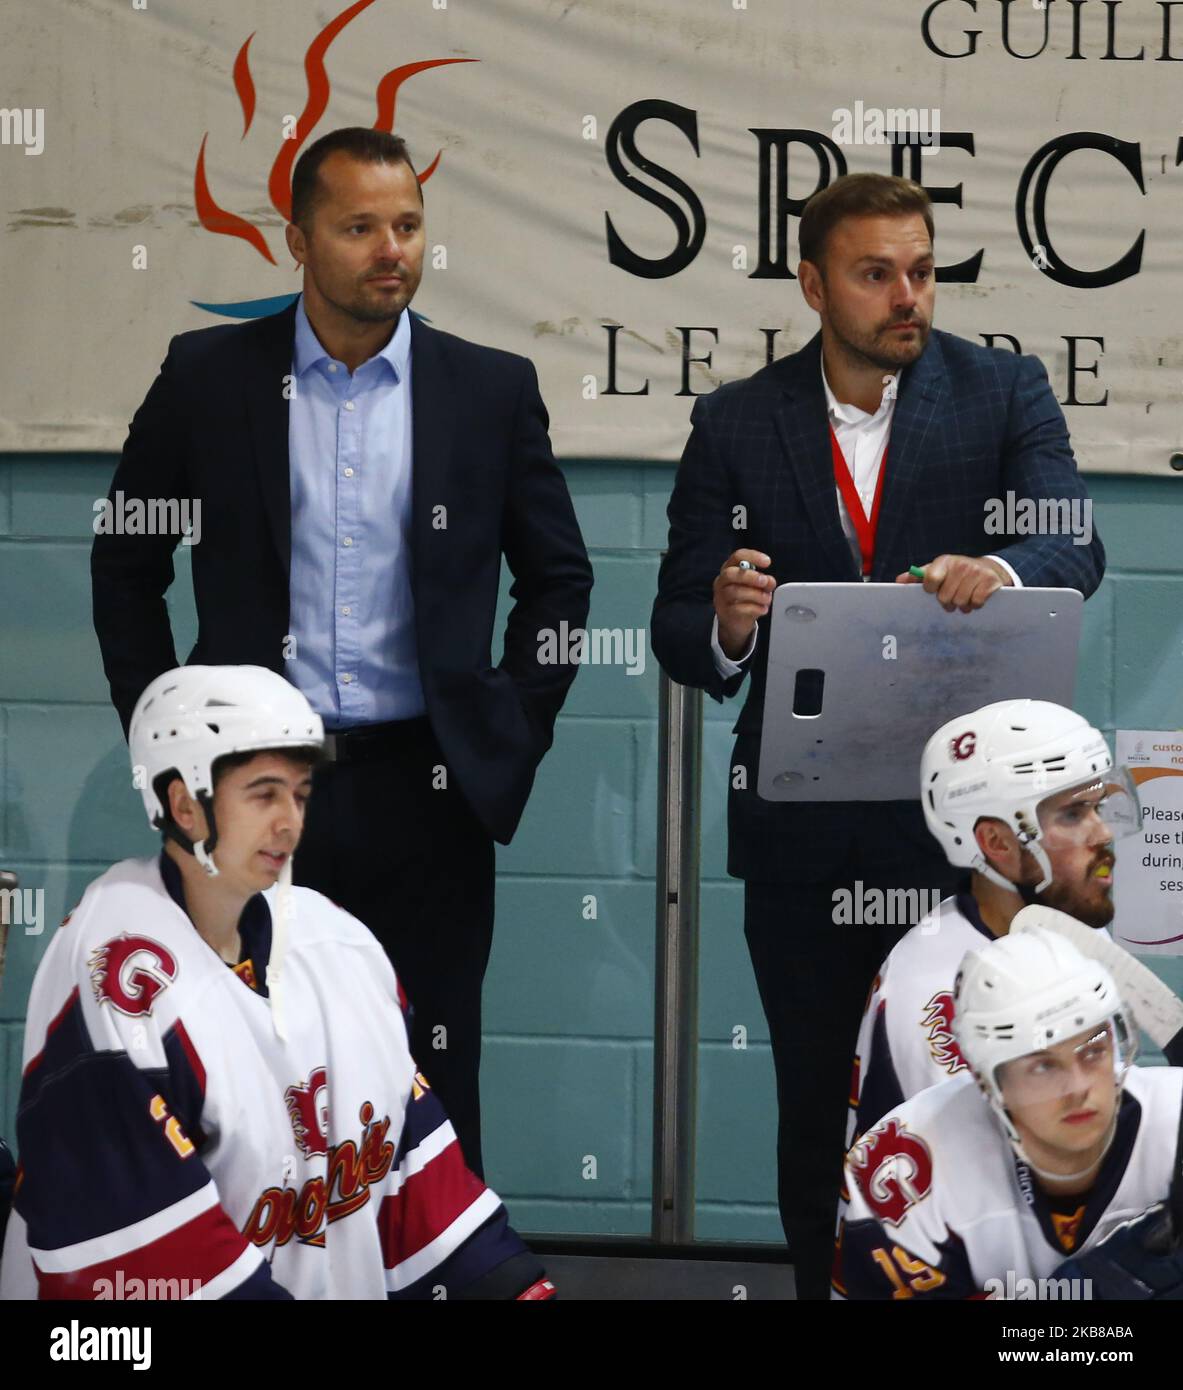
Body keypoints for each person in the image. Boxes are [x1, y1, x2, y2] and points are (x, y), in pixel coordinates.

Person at [90, 127, 593, 1176]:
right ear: (297, 241)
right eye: (358, 226)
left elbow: (560, 581)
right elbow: (126, 562)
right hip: (247, 791)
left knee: (424, 1075)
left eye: (407, 225)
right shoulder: (208, 377)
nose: (390, 248)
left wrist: (505, 733)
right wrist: (166, 747)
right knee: (240, 1062)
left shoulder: (488, 389)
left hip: (429, 788)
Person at [650, 171, 1105, 1298]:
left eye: (921, 269)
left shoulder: (1002, 395)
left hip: (972, 846)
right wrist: (723, 621)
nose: (908, 294)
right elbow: (669, 627)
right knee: (820, 1108)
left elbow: (1075, 544)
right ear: (812, 284)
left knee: (994, 1090)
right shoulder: (735, 422)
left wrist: (996, 570)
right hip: (805, 842)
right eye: (874, 274)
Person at [0, 666, 554, 1301]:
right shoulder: (116, 981)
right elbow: (150, 1284)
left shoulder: (342, 948)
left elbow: (429, 1213)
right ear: (184, 803)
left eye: (300, 792)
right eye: (263, 794)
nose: (291, 822)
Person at [835, 926, 1183, 1300]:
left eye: (1093, 1050)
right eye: (1042, 1066)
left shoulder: (1172, 1114)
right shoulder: (906, 1173)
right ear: (987, 1083)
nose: (1079, 1086)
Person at [849, 699, 1141, 1142]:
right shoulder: (942, 994)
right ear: (997, 841)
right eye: (1073, 814)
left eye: (1099, 807)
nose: (1103, 833)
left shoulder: (1069, 923)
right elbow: (1013, 1177)